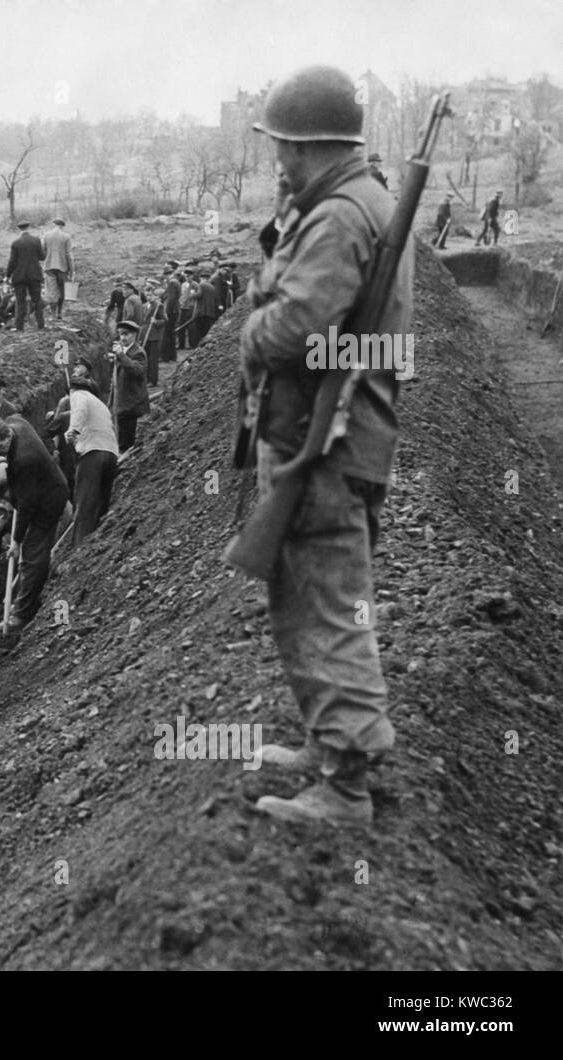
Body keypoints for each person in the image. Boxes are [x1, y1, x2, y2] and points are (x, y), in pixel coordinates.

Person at [242, 64, 413, 825]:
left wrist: (250, 328)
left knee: (331, 610)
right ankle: (328, 745)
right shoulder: (356, 201)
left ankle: (346, 787)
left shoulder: (342, 216)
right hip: (334, 437)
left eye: (281, 146)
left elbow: (293, 325)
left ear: (304, 147)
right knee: (308, 600)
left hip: (327, 446)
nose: (276, 160)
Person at [0, 415, 69, 633]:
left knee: (30, 556)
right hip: (50, 486)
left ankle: (21, 615)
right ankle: (24, 596)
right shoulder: (16, 423)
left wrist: (17, 541)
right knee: (33, 553)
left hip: (49, 501)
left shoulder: (24, 460)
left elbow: (27, 506)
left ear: (8, 434)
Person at [66, 362, 119, 548]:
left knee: (85, 502)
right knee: (101, 503)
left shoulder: (78, 396)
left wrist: (73, 431)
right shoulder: (101, 404)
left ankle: (79, 547)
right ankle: (95, 543)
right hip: (111, 454)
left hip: (93, 453)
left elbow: (79, 411)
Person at [110, 320, 150, 452]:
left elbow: (135, 370)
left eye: (126, 334)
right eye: (121, 334)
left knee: (126, 443)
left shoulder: (138, 352)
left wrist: (121, 355)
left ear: (134, 335)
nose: (123, 338)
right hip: (121, 403)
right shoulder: (124, 351)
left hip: (131, 405)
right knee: (120, 437)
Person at [5, 220, 46, 331]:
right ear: (29, 228)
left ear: (20, 229)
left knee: (20, 301)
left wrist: (7, 275)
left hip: (20, 276)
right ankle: (41, 324)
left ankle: (19, 327)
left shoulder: (16, 243)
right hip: (34, 275)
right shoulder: (36, 241)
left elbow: (12, 261)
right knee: (37, 300)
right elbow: (42, 257)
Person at [42, 218, 74, 321]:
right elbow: (69, 255)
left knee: (52, 292)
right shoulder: (66, 236)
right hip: (62, 268)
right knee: (62, 291)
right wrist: (72, 270)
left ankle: (52, 315)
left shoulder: (46, 235)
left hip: (49, 268)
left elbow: (43, 252)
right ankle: (59, 313)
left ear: (54, 224)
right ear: (62, 225)